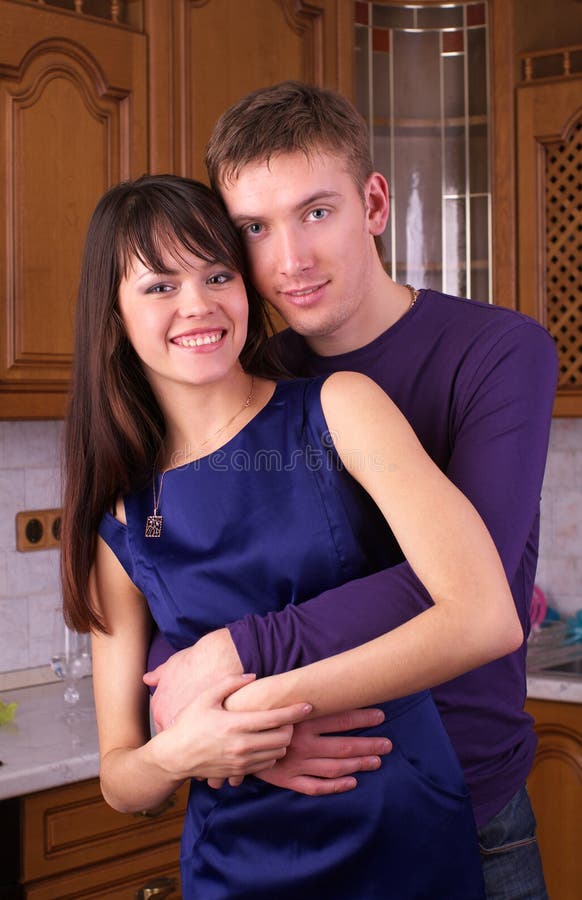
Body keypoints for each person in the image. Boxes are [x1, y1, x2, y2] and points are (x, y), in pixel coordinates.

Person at [146, 82, 558, 899]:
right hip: (300, 815)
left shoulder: (499, 352)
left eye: (316, 212)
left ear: (374, 203)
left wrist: (245, 656)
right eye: (255, 229)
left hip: (471, 816)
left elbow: (466, 590)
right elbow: (192, 588)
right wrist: (245, 727)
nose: (289, 260)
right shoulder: (252, 379)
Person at [60, 174, 522, 899]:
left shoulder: (340, 410)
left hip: (403, 838)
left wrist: (259, 715)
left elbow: (486, 619)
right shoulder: (128, 516)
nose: (197, 304)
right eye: (159, 286)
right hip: (238, 864)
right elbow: (123, 780)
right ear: (113, 316)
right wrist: (190, 749)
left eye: (217, 274)